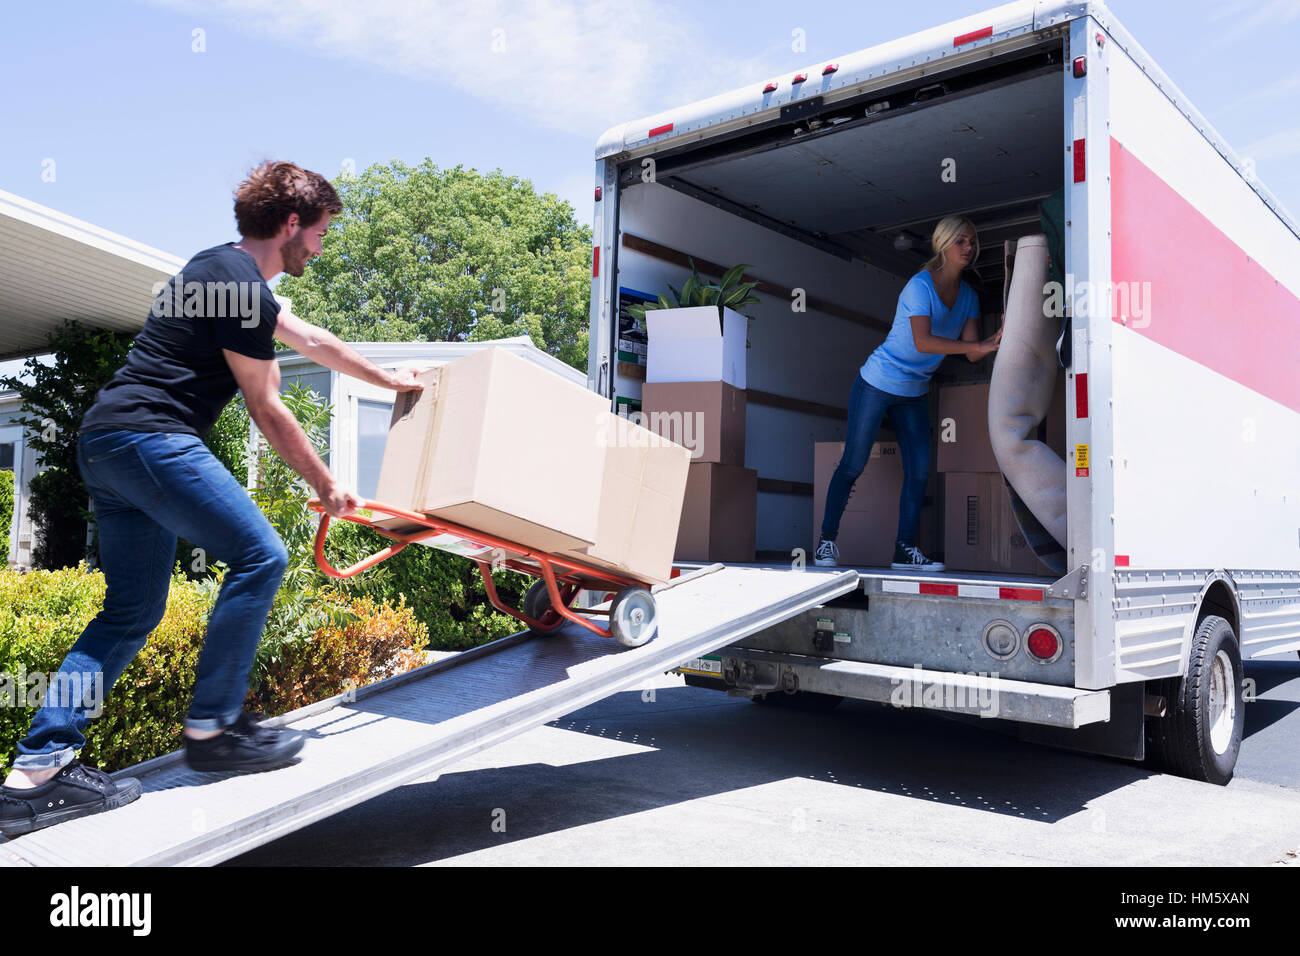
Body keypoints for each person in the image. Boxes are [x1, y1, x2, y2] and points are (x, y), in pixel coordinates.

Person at [0, 160, 424, 838]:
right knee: (260, 556)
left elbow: (313, 340)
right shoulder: (241, 290)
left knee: (130, 611)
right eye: (317, 233)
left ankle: (33, 777)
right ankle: (215, 727)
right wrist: (325, 483)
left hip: (107, 445)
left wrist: (390, 379)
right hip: (151, 438)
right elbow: (266, 405)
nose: (318, 247)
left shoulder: (215, 268)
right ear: (291, 224)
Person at [814, 215, 1001, 570]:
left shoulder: (970, 297)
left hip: (914, 392)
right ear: (942, 244)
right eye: (961, 241)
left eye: (972, 243)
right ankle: (825, 543)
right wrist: (975, 344)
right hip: (877, 383)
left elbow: (973, 352)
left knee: (918, 471)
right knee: (853, 463)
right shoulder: (920, 286)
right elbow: (923, 341)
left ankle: (904, 550)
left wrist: (992, 343)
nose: (968, 248)